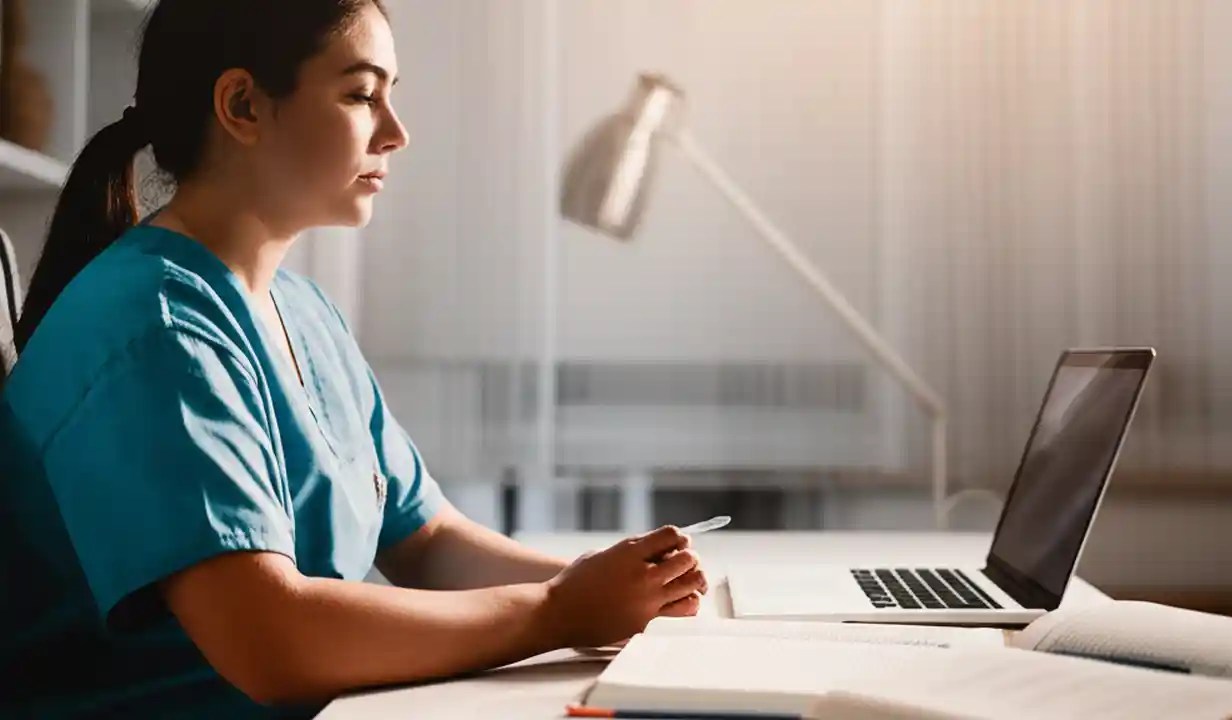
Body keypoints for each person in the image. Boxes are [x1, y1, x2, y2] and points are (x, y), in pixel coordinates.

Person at [0, 1, 706, 717]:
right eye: (362, 95)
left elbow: (427, 542)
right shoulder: (154, 327)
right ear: (243, 104)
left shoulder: (303, 310)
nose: (396, 133)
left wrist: (618, 588)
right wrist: (559, 610)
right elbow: (272, 642)